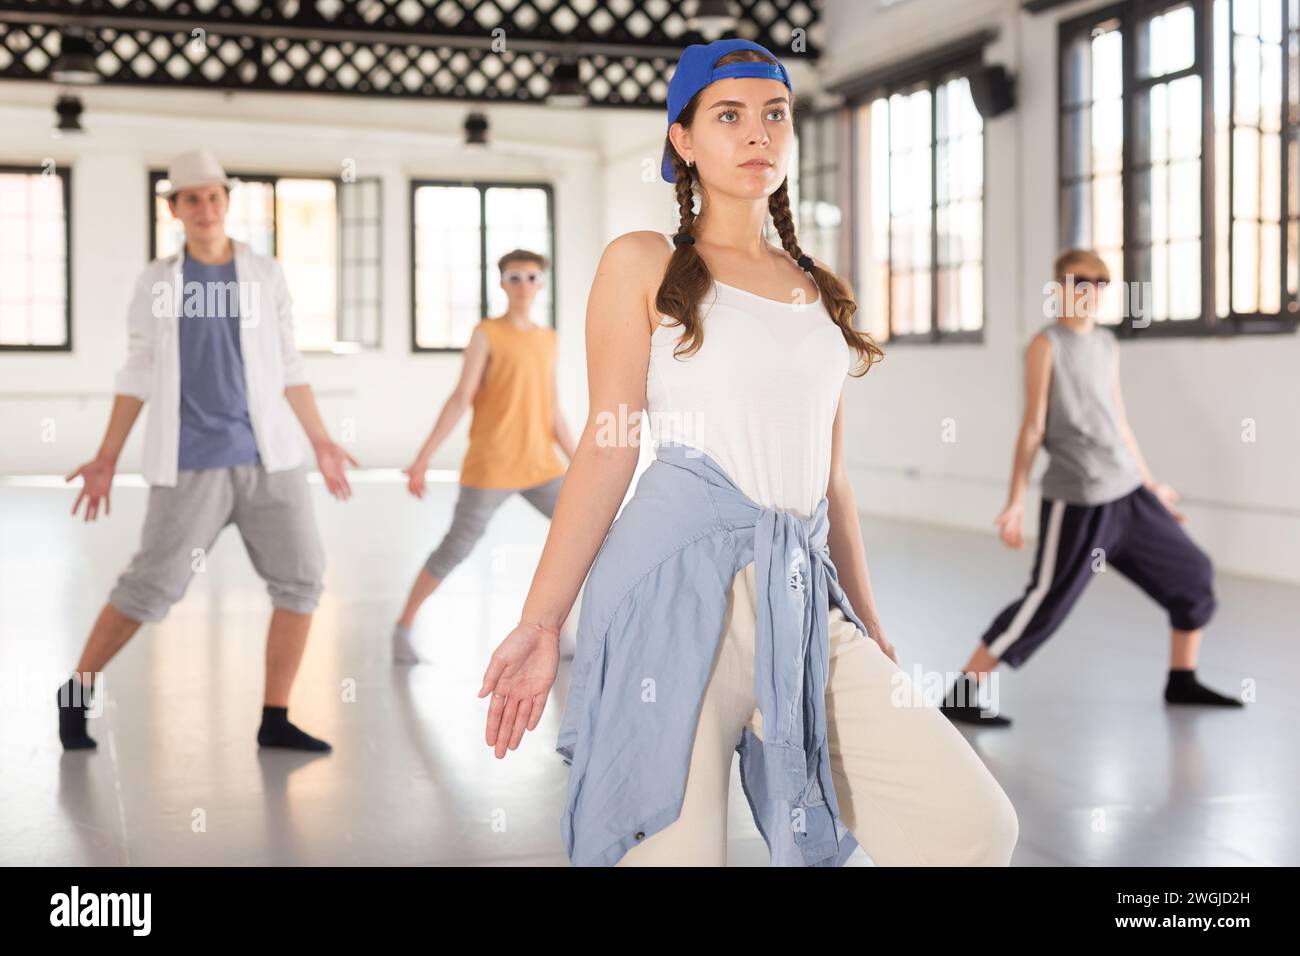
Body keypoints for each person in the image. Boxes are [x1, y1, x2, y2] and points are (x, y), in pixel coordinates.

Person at [476, 38, 1020, 867]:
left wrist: (869, 627)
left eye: (774, 114)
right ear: (683, 141)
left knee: (973, 824)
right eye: (728, 116)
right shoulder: (643, 264)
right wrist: (541, 620)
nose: (756, 133)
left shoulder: (819, 288)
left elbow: (832, 482)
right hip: (667, 593)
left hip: (801, 598)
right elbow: (607, 444)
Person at [58, 148, 357, 753]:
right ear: (173, 208)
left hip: (269, 459)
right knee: (149, 588)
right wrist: (107, 455)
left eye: (213, 196)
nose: (204, 207)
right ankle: (73, 696)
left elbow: (290, 365)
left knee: (302, 583)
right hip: (190, 462)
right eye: (190, 198)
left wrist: (321, 440)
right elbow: (138, 371)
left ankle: (275, 717)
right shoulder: (158, 281)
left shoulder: (265, 274)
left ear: (227, 201)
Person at [940, 249, 1244, 727]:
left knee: (1194, 573)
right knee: (1046, 601)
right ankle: (962, 692)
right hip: (1079, 500)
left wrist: (1150, 484)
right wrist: (1015, 500)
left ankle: (1181, 679)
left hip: (1128, 494)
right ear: (1059, 287)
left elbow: (1119, 421)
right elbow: (1032, 428)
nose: (1091, 291)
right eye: (1080, 281)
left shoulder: (1105, 344)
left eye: (1100, 283)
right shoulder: (1046, 345)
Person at [392, 251, 575, 663]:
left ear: (541, 284)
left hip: (541, 465)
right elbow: (461, 399)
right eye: (514, 278)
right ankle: (402, 627)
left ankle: (556, 631)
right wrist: (423, 457)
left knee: (582, 537)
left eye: (531, 277)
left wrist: (581, 461)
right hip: (492, 465)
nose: (523, 285)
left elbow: (552, 410)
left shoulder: (548, 339)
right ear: (502, 283)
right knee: (456, 547)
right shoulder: (486, 334)